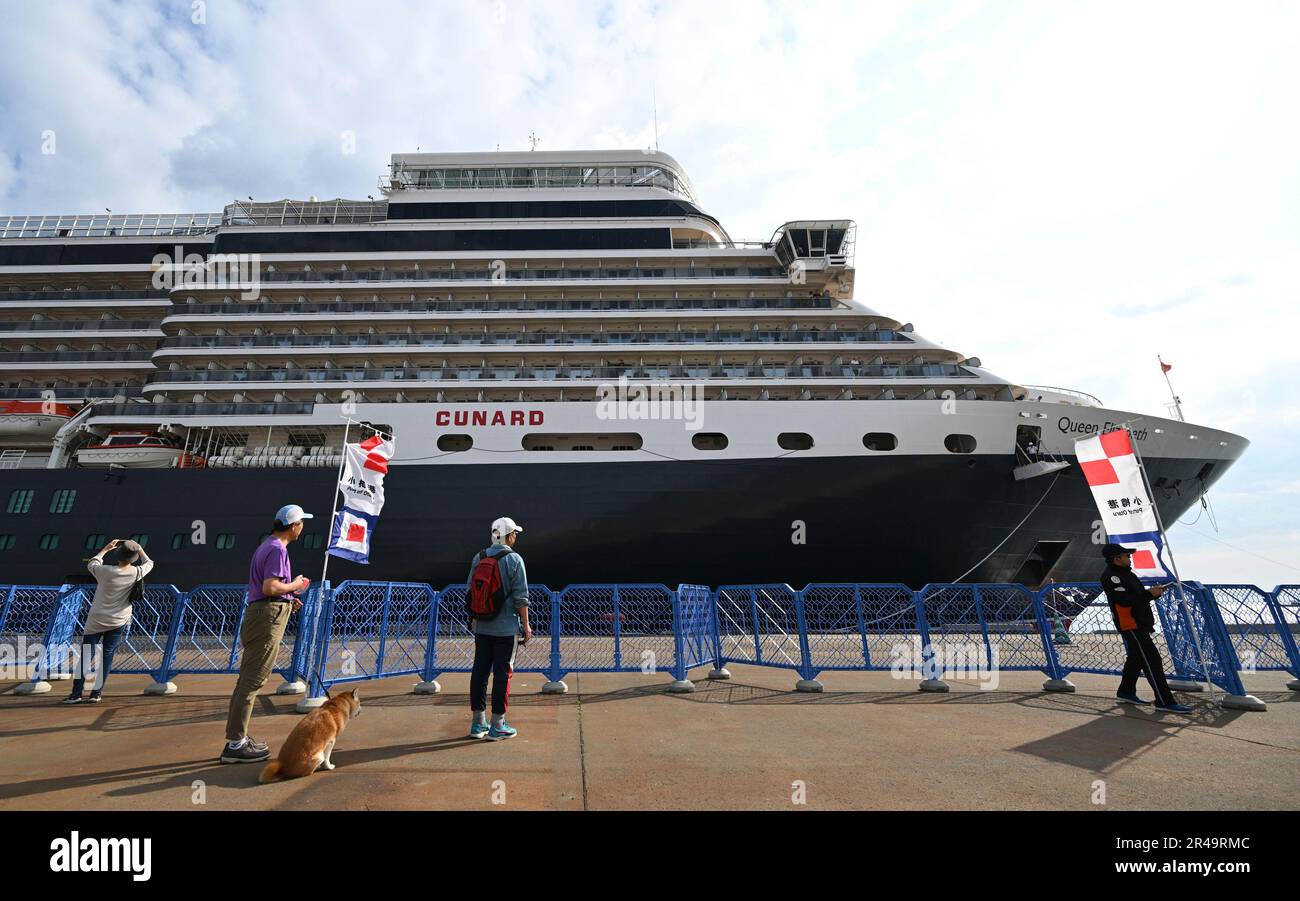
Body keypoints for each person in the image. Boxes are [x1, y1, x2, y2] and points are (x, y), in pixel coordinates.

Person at [220, 504, 314, 763]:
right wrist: (296, 585)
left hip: (263, 613)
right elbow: (270, 586)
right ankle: (235, 744)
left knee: (248, 679)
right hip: (266, 617)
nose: (303, 527)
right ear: (294, 526)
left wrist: (289, 598)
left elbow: (269, 589)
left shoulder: (267, 546)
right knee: (252, 681)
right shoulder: (277, 549)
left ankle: (237, 737)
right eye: (302, 523)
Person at [1099, 542, 1192, 713]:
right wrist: (1149, 594)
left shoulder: (1128, 575)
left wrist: (1153, 594)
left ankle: (1126, 691)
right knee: (1152, 660)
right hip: (1130, 625)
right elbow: (1123, 600)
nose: (1130, 558)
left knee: (1136, 659)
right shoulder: (1111, 576)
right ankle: (1164, 701)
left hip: (1139, 623)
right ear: (1116, 558)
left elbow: (1137, 597)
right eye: (1127, 556)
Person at [62, 538, 153, 704]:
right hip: (119, 619)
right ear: (133, 558)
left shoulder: (104, 571)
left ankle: (76, 694)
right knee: (107, 655)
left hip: (96, 618)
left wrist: (106, 549)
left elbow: (92, 563)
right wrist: (139, 549)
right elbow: (149, 563)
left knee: (86, 655)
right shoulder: (136, 572)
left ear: (118, 555)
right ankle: (96, 693)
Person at [466, 516, 531, 741]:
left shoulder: (479, 557)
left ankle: (477, 723)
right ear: (509, 535)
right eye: (515, 533)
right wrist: (526, 625)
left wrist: (475, 619)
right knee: (503, 674)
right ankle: (498, 725)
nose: (516, 537)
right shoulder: (514, 560)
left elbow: (469, 590)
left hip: (482, 627)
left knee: (480, 672)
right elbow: (521, 598)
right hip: (506, 629)